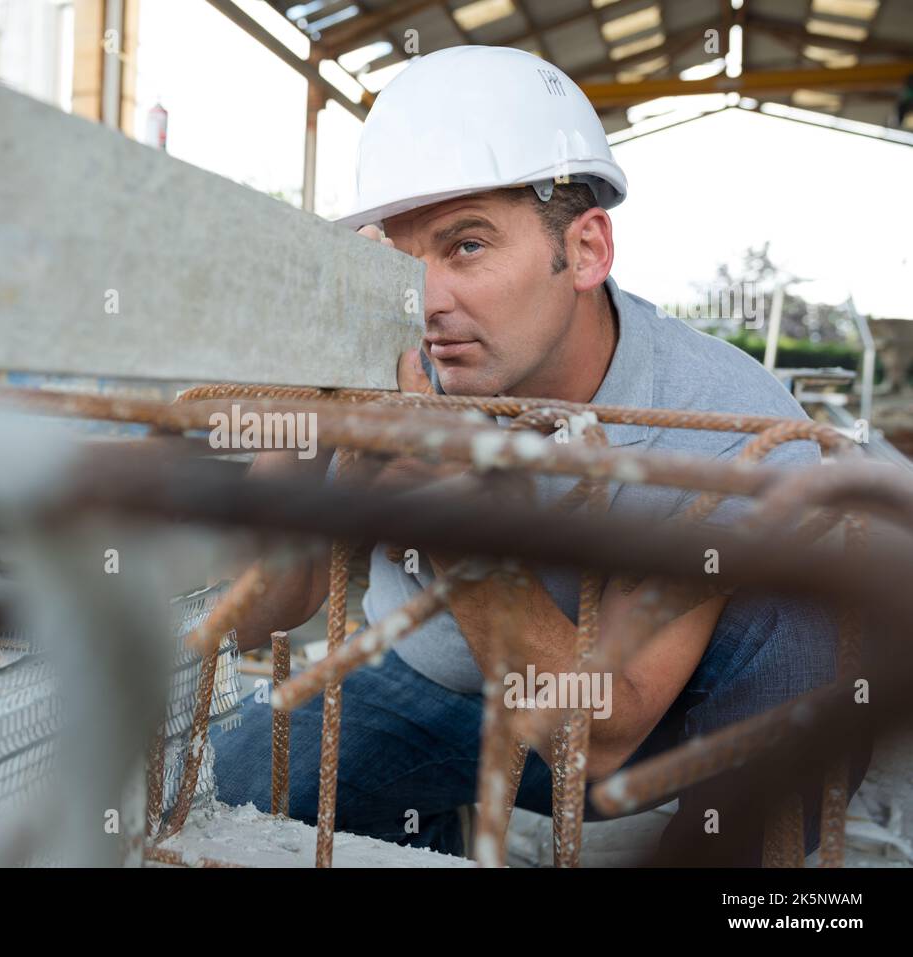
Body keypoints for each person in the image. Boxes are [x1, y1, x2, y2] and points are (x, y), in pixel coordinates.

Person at [210, 46, 868, 864]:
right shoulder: (382, 353)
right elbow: (269, 603)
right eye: (396, 258)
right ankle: (428, 829)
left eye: (467, 246)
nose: (426, 300)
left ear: (586, 251)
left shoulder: (717, 420)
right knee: (235, 794)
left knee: (809, 616)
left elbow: (599, 734)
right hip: (427, 682)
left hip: (639, 723)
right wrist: (305, 412)